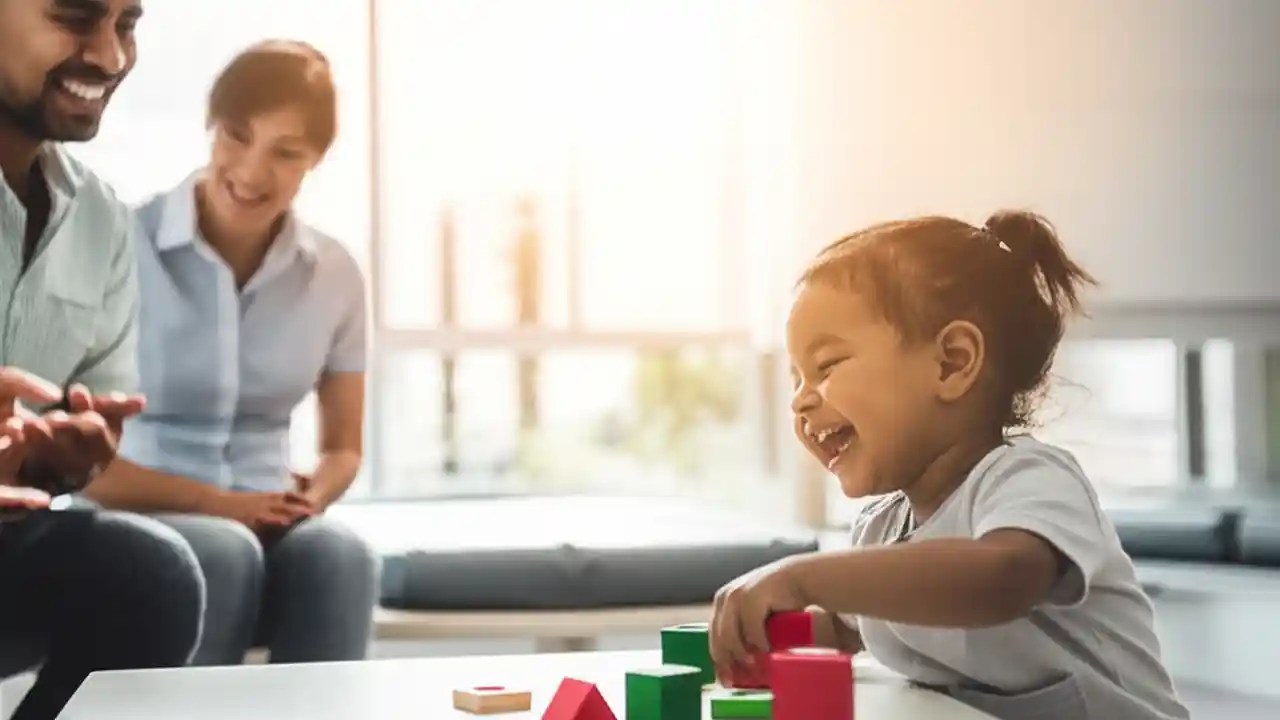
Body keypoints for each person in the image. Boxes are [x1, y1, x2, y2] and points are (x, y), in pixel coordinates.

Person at [708, 212, 1190, 720]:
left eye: (825, 367)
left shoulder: (1028, 480)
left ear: (952, 363)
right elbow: (864, 623)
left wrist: (803, 577)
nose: (800, 402)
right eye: (796, 379)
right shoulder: (882, 528)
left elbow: (999, 580)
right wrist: (774, 635)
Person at [85, 40, 379, 666]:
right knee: (222, 549)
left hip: (270, 514)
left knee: (341, 556)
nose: (250, 171)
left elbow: (343, 446)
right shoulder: (121, 247)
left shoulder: (335, 275)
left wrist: (312, 497)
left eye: (286, 152)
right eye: (236, 136)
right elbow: (92, 471)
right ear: (210, 129)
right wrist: (226, 507)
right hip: (141, 512)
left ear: (316, 160)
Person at [0, 1, 206, 718]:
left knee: (149, 574)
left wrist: (70, 458)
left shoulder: (100, 221)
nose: (112, 57)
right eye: (76, 16)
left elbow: (88, 423)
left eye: (126, 25)